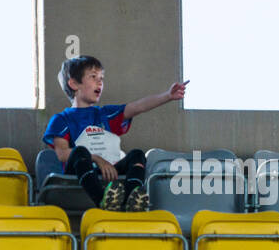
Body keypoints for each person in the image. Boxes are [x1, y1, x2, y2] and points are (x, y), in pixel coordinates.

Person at [43, 55, 187, 212]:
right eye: (93, 77)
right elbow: (63, 154)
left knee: (137, 155)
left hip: (108, 170)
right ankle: (102, 201)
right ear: (74, 84)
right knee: (79, 152)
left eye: (101, 78)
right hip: (80, 171)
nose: (100, 82)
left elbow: (138, 107)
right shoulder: (61, 119)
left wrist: (167, 96)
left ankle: (132, 200)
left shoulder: (105, 113)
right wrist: (97, 159)